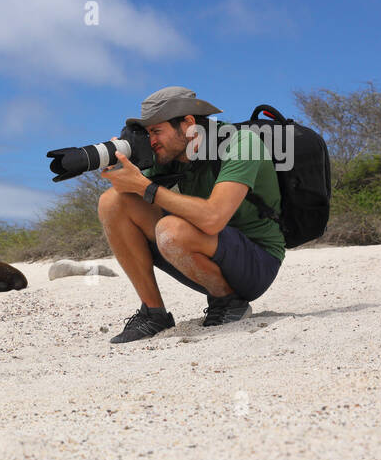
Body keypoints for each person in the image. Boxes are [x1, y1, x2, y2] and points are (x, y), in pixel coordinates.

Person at [97, 86, 284, 344]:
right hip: (206, 255)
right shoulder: (172, 153)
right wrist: (124, 171)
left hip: (257, 263)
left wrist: (143, 185)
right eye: (148, 133)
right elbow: (130, 204)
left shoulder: (242, 143)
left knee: (170, 230)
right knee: (113, 201)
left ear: (187, 124)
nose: (151, 141)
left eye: (156, 131)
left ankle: (229, 302)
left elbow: (213, 218)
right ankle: (154, 313)